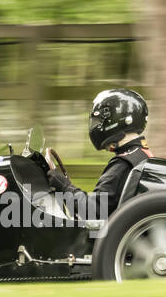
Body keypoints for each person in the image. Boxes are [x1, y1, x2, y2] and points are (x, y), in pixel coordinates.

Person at [37, 88, 153, 219]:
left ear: (117, 119)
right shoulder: (142, 155)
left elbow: (94, 211)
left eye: (99, 121)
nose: (96, 127)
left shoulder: (123, 163)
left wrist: (64, 187)